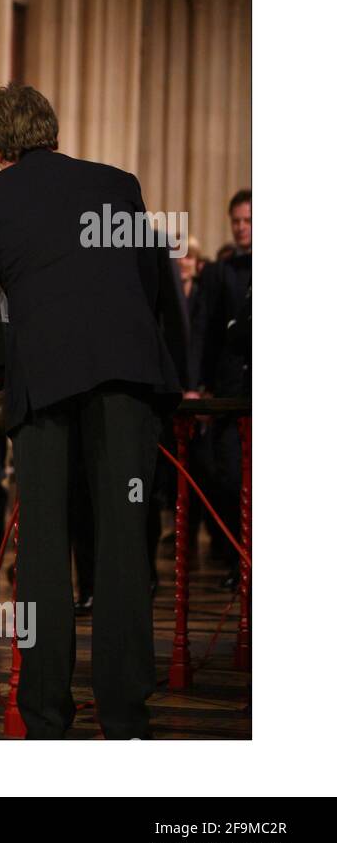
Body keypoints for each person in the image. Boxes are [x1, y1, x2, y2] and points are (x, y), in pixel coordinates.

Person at [0, 83, 182, 739]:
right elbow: (155, 280)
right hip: (128, 381)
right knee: (125, 544)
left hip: (45, 382)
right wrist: (174, 380)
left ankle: (45, 711)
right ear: (52, 127)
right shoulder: (117, 182)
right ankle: (126, 712)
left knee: (43, 545)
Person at [196, 189, 252, 583]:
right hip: (231, 389)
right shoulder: (220, 271)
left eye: (248, 221)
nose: (241, 228)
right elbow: (206, 330)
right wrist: (198, 384)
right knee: (229, 478)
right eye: (236, 221)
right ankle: (239, 559)